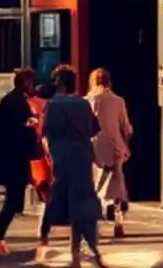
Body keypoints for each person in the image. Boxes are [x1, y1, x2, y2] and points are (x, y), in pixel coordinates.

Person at [39, 65, 105, 268]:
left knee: (58, 197)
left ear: (58, 83)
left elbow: (45, 132)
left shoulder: (53, 105)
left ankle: (44, 236)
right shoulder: (83, 104)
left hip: (61, 158)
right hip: (82, 158)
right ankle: (84, 249)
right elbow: (95, 129)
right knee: (81, 202)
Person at [0, 68, 39, 254]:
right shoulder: (18, 103)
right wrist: (32, 125)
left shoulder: (8, 101)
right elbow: (21, 130)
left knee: (14, 199)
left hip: (9, 156)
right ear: (24, 83)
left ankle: (0, 236)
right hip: (15, 158)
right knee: (13, 200)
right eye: (30, 82)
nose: (33, 85)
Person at [86, 68, 133, 238]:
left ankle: (93, 222)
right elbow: (126, 128)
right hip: (115, 147)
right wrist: (125, 146)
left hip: (95, 147)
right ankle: (118, 222)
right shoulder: (118, 101)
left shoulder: (87, 100)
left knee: (94, 185)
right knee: (117, 183)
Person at [28, 82, 55, 203]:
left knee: (39, 173)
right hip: (51, 140)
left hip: (36, 140)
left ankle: (45, 196)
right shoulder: (52, 104)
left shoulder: (31, 103)